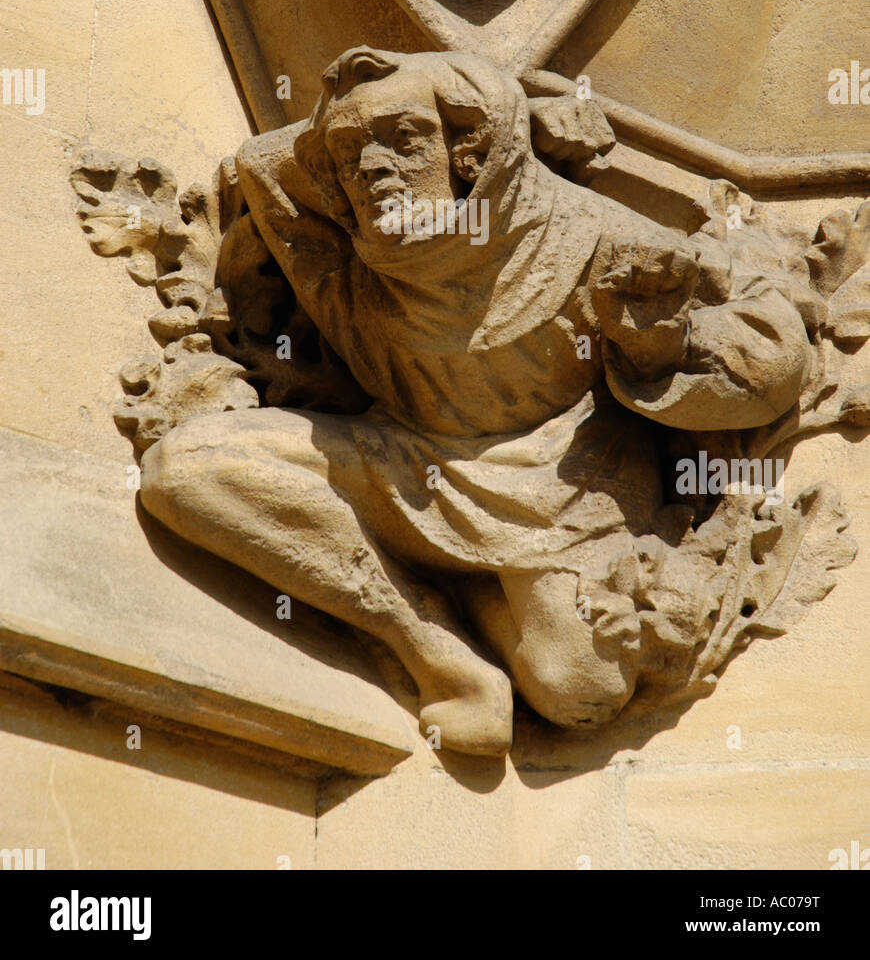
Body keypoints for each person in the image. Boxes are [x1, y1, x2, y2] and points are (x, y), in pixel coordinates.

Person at [141, 47, 812, 755]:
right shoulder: (341, 241)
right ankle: (435, 643)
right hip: (405, 460)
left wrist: (661, 348)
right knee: (180, 473)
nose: (372, 169)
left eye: (405, 140)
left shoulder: (591, 235)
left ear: (471, 149)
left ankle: (490, 594)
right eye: (348, 154)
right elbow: (269, 158)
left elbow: (774, 354)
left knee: (579, 685)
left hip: (566, 488)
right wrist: (372, 94)